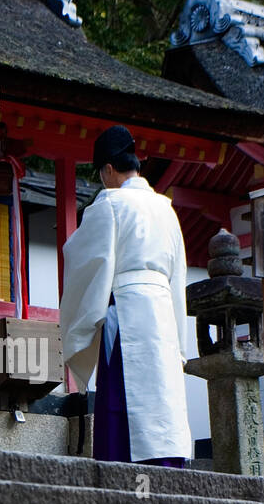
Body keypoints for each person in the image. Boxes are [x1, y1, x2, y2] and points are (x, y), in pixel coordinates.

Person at [59, 125, 192, 465]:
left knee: (123, 394)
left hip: (128, 309)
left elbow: (83, 259)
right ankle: (168, 465)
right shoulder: (166, 209)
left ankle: (121, 467)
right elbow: (178, 277)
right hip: (162, 311)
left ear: (108, 169)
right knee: (161, 396)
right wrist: (180, 338)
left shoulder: (110, 204)